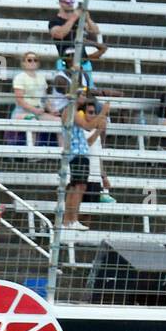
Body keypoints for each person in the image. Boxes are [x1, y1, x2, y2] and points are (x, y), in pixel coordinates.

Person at [62, 86, 109, 228]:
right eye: (81, 95)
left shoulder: (73, 112)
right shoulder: (71, 111)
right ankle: (71, 220)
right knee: (78, 186)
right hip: (77, 152)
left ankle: (69, 220)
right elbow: (88, 126)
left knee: (78, 186)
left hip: (79, 152)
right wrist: (103, 113)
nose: (84, 97)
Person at [10, 51, 56, 146]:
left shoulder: (41, 77)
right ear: (23, 63)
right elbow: (20, 100)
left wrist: (52, 110)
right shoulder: (19, 78)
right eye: (29, 60)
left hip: (38, 111)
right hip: (22, 112)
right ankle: (32, 155)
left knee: (59, 122)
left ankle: (62, 153)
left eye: (35, 60)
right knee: (33, 121)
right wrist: (34, 110)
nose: (32, 62)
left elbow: (44, 97)